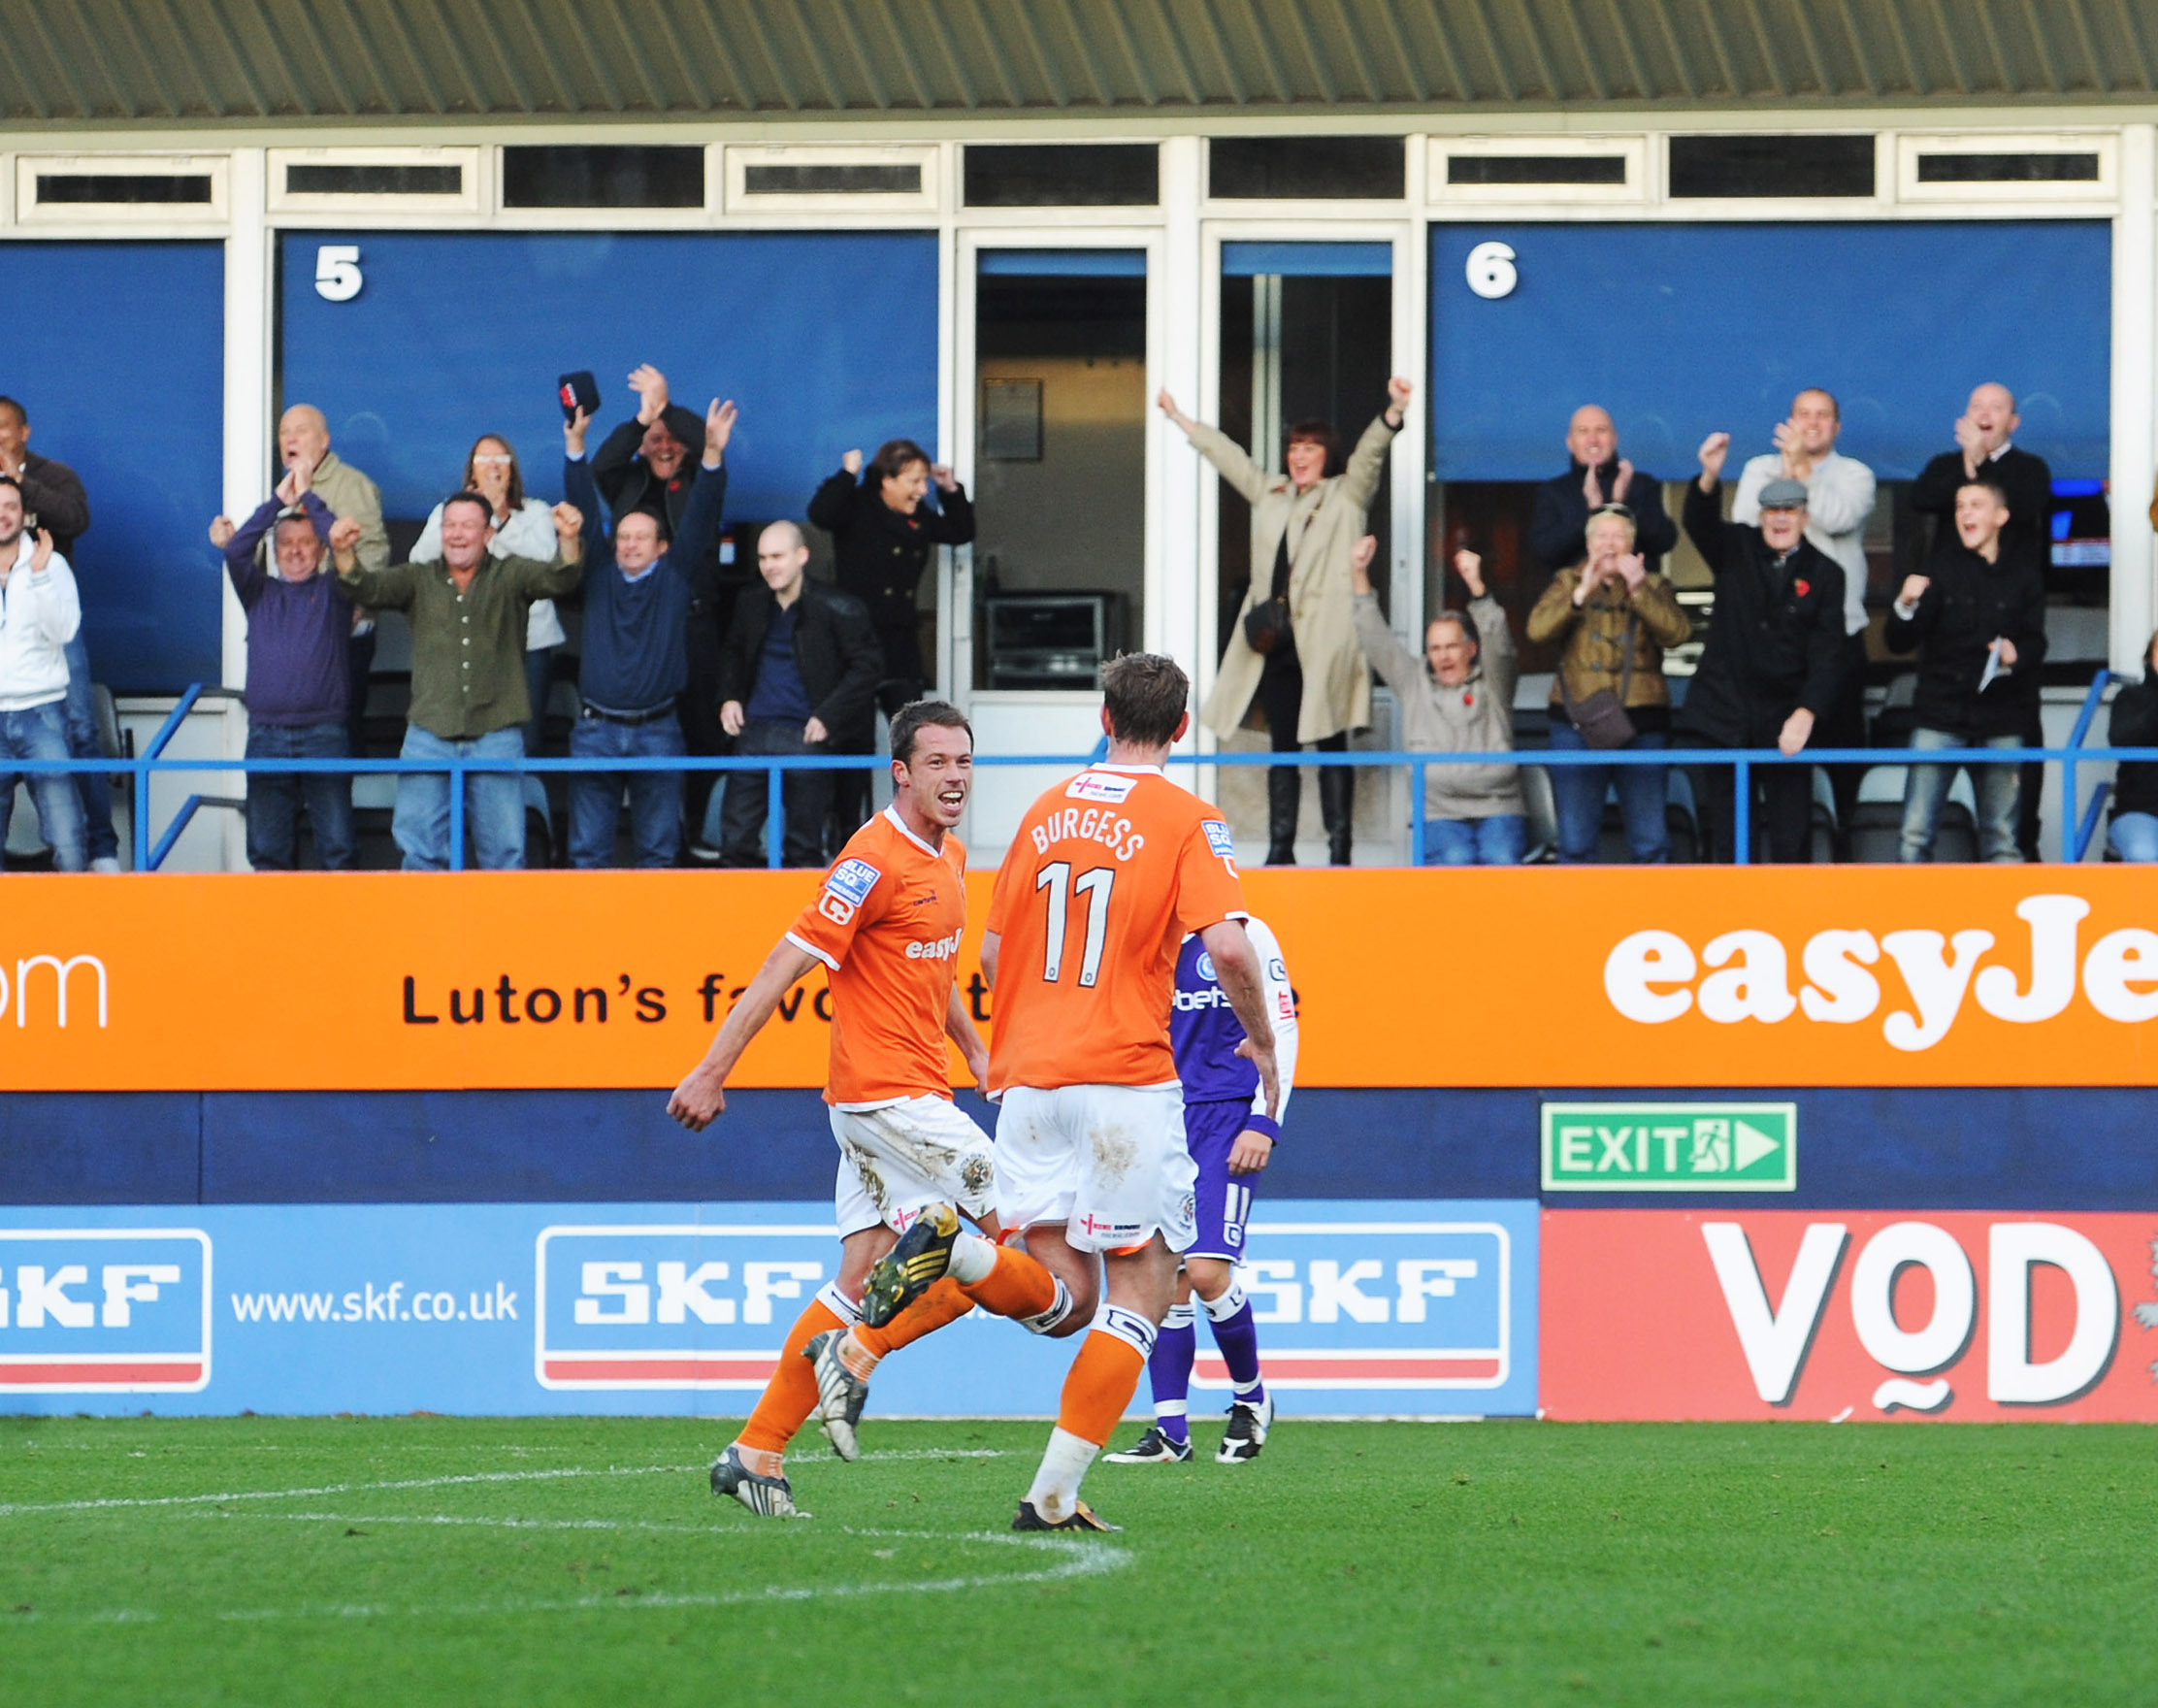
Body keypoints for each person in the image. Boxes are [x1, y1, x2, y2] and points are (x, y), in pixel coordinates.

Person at [868, 653, 1280, 1533]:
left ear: (1103, 716)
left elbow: (987, 953)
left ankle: (964, 1253)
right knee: (1144, 1284)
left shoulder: (1046, 809)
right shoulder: (1190, 819)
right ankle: (1052, 1494)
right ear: (1180, 729)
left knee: (1063, 1297)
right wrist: (1262, 1042)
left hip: (1028, 1083)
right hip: (1124, 1079)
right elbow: (1235, 952)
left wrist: (1018, 1041)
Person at [667, 700, 1074, 1519]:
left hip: (899, 1099)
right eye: (938, 764)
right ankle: (860, 1355)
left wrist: (978, 1051)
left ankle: (756, 1451)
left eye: (965, 762)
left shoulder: (950, 855)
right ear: (901, 771)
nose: (956, 778)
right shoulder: (870, 859)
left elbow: (933, 973)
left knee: (862, 1276)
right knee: (1035, 1267)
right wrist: (713, 1069)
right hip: (889, 1099)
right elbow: (786, 964)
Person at [1169, 379, 1411, 867]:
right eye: (1294, 448)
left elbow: (1370, 456)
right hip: (1276, 641)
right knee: (1283, 746)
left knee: (1330, 741)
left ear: (1328, 454)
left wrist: (1393, 412)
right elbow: (1231, 461)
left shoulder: (1346, 495)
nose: (1300, 456)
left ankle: (1339, 851)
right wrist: (1180, 419)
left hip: (1326, 641)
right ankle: (1281, 849)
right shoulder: (1272, 493)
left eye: (1311, 448)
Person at [1104, 914, 1297, 1465]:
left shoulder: (1245, 932)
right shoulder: (1137, 928)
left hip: (1227, 1115)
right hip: (1158, 1116)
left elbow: (1282, 1027)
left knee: (1208, 1271)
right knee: (1165, 1280)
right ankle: (1171, 1433)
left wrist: (1265, 1119)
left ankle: (1251, 1398)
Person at [329, 494, 583, 870]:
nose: (457, 534)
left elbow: (560, 579)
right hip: (429, 733)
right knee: (420, 854)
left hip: (496, 731)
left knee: (504, 855)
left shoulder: (513, 574)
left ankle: (497, 931)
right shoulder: (418, 578)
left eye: (467, 525)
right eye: (450, 525)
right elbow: (366, 588)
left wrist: (569, 539)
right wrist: (343, 552)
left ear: (489, 533)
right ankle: (426, 930)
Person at [560, 398, 734, 870]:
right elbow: (582, 505)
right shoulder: (599, 572)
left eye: (641, 538)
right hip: (596, 730)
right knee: (587, 852)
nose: (630, 544)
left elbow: (701, 513)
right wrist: (574, 444)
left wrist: (713, 456)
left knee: (658, 853)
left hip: (658, 728)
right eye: (623, 536)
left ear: (662, 548)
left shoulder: (674, 577)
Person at [1681, 442, 1848, 865]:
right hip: (1725, 717)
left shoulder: (1827, 574)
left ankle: (1791, 927)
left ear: (1804, 518)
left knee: (1792, 841)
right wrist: (1708, 477)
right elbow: (1698, 522)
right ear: (1760, 517)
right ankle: (1734, 924)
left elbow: (1829, 652)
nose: (1780, 518)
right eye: (1772, 511)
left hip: (1787, 724)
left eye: (1790, 511)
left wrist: (1807, 713)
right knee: (1733, 841)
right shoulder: (1736, 547)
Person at [1732, 389, 1878, 857]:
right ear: (1789, 421)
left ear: (1837, 427)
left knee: (1841, 765)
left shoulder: (1856, 474)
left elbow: (1836, 517)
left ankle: (1845, 866)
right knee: (1768, 772)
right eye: (1804, 415)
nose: (1812, 424)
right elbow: (1744, 530)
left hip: (1838, 642)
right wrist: (1787, 469)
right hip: (1768, 650)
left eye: (1823, 417)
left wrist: (1798, 472)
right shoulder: (1758, 469)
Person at [807, 439, 975, 841]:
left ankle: (920, 829)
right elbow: (821, 513)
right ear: (887, 480)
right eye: (914, 481)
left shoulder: (918, 516)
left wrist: (951, 490)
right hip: (853, 645)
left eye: (924, 482)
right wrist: (846, 475)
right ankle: (846, 834)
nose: (922, 490)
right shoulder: (858, 505)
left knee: (917, 738)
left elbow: (959, 530)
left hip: (899, 641)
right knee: (853, 740)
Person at [1913, 383, 2052, 860]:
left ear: (2013, 422)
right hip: (1947, 672)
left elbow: (2028, 503)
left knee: (2010, 827)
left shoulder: (2029, 470)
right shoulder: (1945, 468)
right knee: (1917, 831)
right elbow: (1923, 497)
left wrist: (1983, 465)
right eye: (1976, 407)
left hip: (2007, 682)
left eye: (1997, 409)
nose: (1985, 415)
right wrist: (1968, 465)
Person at [1884, 478, 2047, 864]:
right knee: (1915, 834)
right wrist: (1904, 604)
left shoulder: (2024, 574)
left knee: (2002, 838)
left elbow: (2037, 644)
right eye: (1960, 507)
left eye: (1975, 505)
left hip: (2003, 718)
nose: (1965, 514)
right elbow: (1897, 641)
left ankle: (2004, 923)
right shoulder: (1938, 568)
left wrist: (2014, 654)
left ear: (2000, 516)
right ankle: (1910, 922)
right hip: (1940, 715)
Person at [208, 464, 356, 870]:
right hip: (267, 734)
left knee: (339, 848)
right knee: (267, 849)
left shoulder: (336, 590)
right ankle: (271, 933)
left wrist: (308, 498)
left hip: (325, 733)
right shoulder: (259, 592)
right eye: (285, 544)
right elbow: (237, 552)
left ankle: (344, 932)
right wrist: (277, 502)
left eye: (305, 543)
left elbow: (343, 542)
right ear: (273, 553)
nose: (294, 551)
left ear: (321, 550)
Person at [1525, 505, 1692, 863]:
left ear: (1633, 546)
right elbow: (1536, 631)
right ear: (1588, 544)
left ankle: (1650, 918)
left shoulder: (1656, 585)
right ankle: (1580, 918)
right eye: (1602, 536)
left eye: (1619, 536)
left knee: (1650, 841)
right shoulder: (1567, 581)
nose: (1609, 544)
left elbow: (1678, 634)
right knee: (1574, 841)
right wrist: (1581, 593)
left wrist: (1639, 592)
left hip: (1642, 724)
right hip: (1578, 724)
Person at [715, 521, 882, 869]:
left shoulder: (838, 606)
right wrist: (729, 697)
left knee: (804, 848)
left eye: (777, 556)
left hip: (806, 734)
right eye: (762, 558)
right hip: (753, 733)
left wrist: (828, 716)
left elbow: (867, 668)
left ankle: (799, 923)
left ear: (802, 556)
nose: (768, 565)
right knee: (735, 844)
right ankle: (736, 921)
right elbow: (731, 652)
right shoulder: (750, 602)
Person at [1350, 536, 1525, 865]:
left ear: (1471, 650)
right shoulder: (1413, 681)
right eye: (1435, 648)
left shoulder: (1495, 681)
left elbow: (1498, 642)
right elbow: (1375, 638)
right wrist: (1358, 572)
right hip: (1438, 811)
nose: (1443, 656)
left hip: (1497, 806)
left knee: (1499, 859)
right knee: (1455, 861)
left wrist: (1477, 586)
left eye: (1451, 647)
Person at [411, 433, 568, 776]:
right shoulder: (448, 513)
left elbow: (544, 566)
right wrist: (465, 523)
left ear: (513, 469)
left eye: (501, 460)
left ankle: (525, 817)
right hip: (467, 644)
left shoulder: (536, 511)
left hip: (529, 646)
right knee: (467, 740)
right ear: (471, 469)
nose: (493, 467)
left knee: (526, 740)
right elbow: (419, 561)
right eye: (484, 460)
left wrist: (497, 518)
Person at [0, 398, 114, 870]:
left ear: (24, 432)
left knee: (82, 732)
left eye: (3, 429)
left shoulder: (53, 474)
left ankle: (101, 850)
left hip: (51, 621)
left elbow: (75, 520)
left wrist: (20, 482)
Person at [277, 406, 386, 763]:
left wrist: (351, 606)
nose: (290, 439)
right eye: (283, 432)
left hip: (342, 636)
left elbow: (373, 552)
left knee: (339, 738)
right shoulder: (281, 491)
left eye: (301, 431)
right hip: (292, 637)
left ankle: (342, 817)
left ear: (324, 441)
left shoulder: (351, 485)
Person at [0, 481, 83, 870]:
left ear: (25, 515)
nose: (3, 514)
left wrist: (38, 577)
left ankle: (78, 928)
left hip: (42, 713)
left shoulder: (51, 565)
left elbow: (64, 631)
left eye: (11, 506)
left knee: (67, 835)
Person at [1530, 405, 1680, 577]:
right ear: (1570, 443)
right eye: (1583, 431)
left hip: (1636, 595)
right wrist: (1591, 512)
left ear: (1615, 439)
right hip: (1577, 597)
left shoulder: (1641, 485)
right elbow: (1545, 551)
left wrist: (1623, 505)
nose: (1593, 439)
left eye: (1601, 430)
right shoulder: (1552, 491)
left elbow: (1665, 541)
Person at [2106, 632, 2158, 862]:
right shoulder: (2130, 697)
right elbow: (2121, 739)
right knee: (2144, 855)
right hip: (2139, 811)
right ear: (2149, 657)